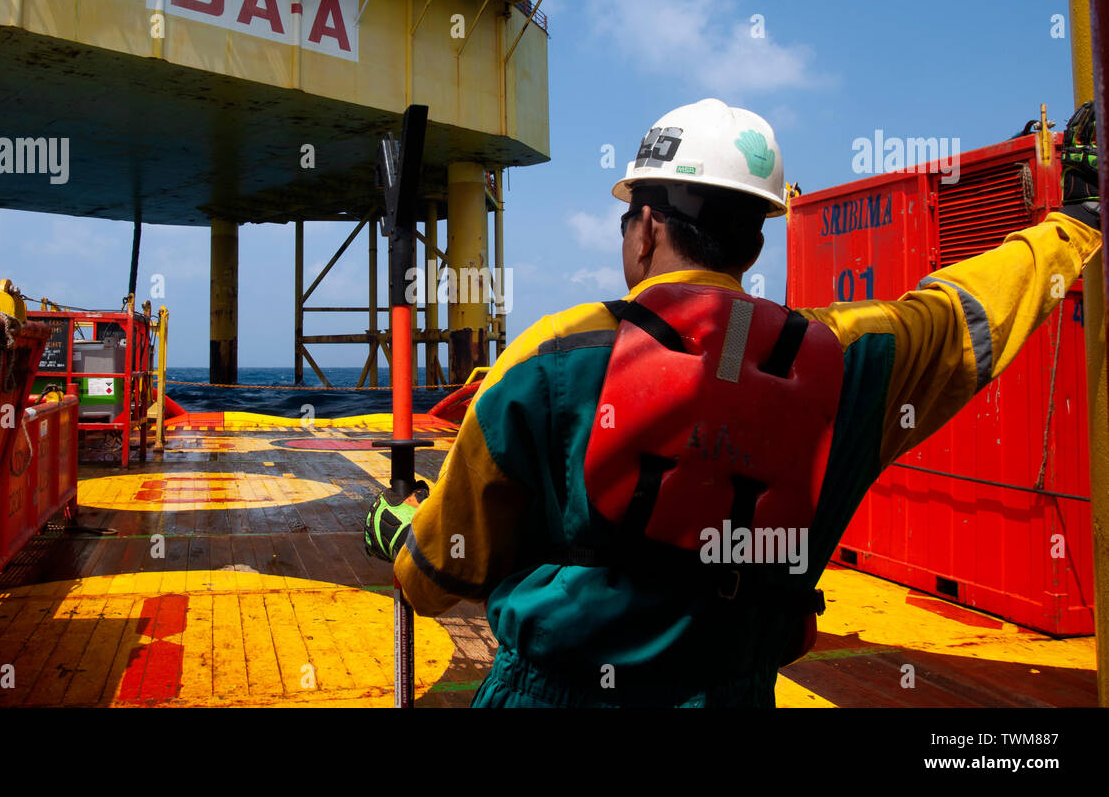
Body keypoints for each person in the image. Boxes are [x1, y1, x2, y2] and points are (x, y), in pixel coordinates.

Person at [365, 97, 1103, 707]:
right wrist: (1076, 224)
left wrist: (398, 528)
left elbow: (434, 577)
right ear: (753, 244)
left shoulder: (552, 355)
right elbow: (968, 311)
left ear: (646, 228)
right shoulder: (853, 361)